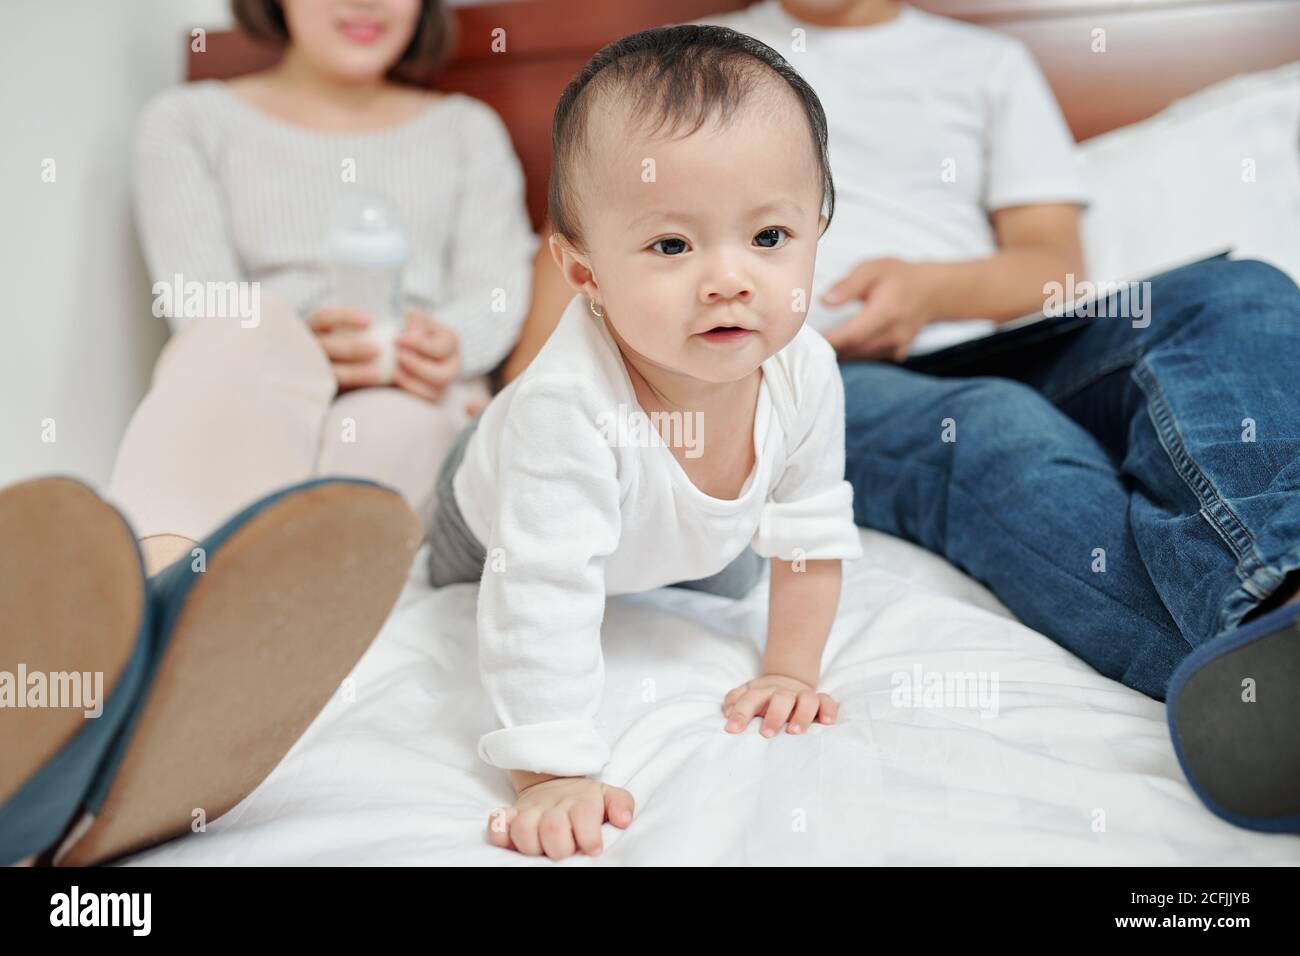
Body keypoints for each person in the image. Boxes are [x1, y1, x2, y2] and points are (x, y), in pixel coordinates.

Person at [501, 0, 1300, 834]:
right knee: (995, 429)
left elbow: (1053, 264)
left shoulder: (987, 67)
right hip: (813, 366)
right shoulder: (667, 72)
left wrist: (931, 291)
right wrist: (527, 417)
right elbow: (582, 263)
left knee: (1241, 290)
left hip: (1010, 336)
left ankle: (1286, 585)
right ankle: (1258, 668)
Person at [1, 0, 537, 866]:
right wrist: (307, 326)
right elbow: (192, 297)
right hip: (263, 363)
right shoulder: (188, 121)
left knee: (368, 442)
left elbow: (499, 291)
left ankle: (177, 691)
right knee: (244, 326)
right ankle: (118, 641)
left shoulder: (465, 130)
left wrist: (447, 344)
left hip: (415, 382)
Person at [427, 24, 863, 860]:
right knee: (466, 575)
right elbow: (540, 591)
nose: (730, 278)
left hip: (674, 531)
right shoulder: (567, 408)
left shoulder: (807, 371)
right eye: (672, 244)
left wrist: (789, 672)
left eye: (770, 238)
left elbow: (808, 527)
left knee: (731, 566)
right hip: (489, 520)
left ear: (816, 229)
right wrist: (549, 771)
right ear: (585, 276)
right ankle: (453, 438)